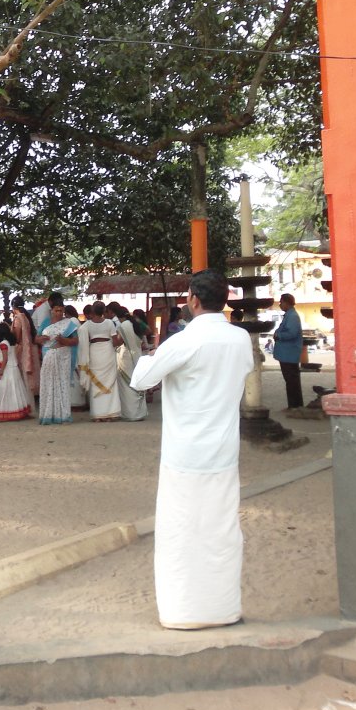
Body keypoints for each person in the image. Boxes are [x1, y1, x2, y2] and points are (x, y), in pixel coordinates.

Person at [130, 269, 254, 631]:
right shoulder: (239, 339)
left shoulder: (186, 339)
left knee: (181, 532)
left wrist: (152, 354)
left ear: (194, 300)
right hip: (223, 452)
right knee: (221, 531)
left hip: (185, 455)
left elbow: (142, 380)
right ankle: (222, 608)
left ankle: (183, 612)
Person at [34, 299, 77, 425]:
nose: (59, 313)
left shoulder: (68, 323)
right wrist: (41, 338)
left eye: (61, 310)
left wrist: (64, 341)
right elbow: (36, 338)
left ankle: (63, 415)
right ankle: (48, 414)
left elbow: (75, 341)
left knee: (62, 384)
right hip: (48, 355)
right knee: (48, 383)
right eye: (56, 310)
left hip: (63, 356)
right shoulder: (46, 323)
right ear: (51, 310)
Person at [77, 301, 121, 421]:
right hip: (108, 351)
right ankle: (111, 413)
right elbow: (115, 341)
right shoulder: (109, 323)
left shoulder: (87, 325)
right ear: (104, 311)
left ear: (92, 311)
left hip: (94, 351)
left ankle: (98, 414)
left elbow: (81, 335)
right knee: (110, 381)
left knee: (95, 382)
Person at [106, 303, 148, 421]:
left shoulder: (123, 326)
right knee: (136, 382)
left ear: (118, 316)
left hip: (126, 357)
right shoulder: (135, 323)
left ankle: (130, 413)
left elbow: (118, 342)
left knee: (126, 385)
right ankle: (140, 412)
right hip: (137, 355)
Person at [0, 322, 32, 421]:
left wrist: (1, 372)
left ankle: (6, 412)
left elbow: (5, 359)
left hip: (7, 370)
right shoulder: (11, 342)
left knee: (3, 391)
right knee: (16, 391)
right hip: (14, 369)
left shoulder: (3, 344)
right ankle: (18, 411)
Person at [273, 293, 304, 410]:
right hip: (287, 353)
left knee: (292, 381)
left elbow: (292, 333)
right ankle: (293, 405)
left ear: (286, 303)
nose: (280, 305)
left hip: (289, 354)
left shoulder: (292, 316)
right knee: (291, 381)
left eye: (281, 302)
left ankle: (295, 406)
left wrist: (279, 335)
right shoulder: (289, 315)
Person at [11, 296, 41, 398]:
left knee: (21, 375)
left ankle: (22, 402)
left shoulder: (18, 318)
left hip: (21, 349)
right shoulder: (26, 317)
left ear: (13, 307)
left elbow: (17, 337)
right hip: (29, 348)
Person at [64, 305, 86, 410]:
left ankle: (75, 402)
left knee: (74, 375)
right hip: (78, 349)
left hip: (74, 350)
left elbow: (67, 335)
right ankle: (79, 401)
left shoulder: (72, 321)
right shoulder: (76, 320)